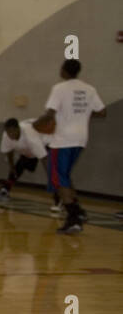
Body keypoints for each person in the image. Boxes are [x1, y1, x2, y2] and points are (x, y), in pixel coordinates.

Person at [33, 60, 106, 234]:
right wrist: (84, 114)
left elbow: (50, 114)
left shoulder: (60, 88)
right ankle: (78, 211)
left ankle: (74, 217)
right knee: (64, 176)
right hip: (81, 138)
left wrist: (36, 124)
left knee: (59, 179)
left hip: (63, 139)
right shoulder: (90, 89)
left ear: (64, 71)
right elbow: (102, 112)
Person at [0, 117, 47, 207]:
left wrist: (52, 175)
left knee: (53, 173)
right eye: (8, 132)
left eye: (13, 131)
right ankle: (4, 191)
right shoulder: (6, 135)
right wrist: (11, 166)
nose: (10, 134)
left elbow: (44, 157)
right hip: (29, 152)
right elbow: (9, 151)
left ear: (18, 128)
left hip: (46, 145)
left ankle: (61, 199)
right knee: (16, 170)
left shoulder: (29, 134)